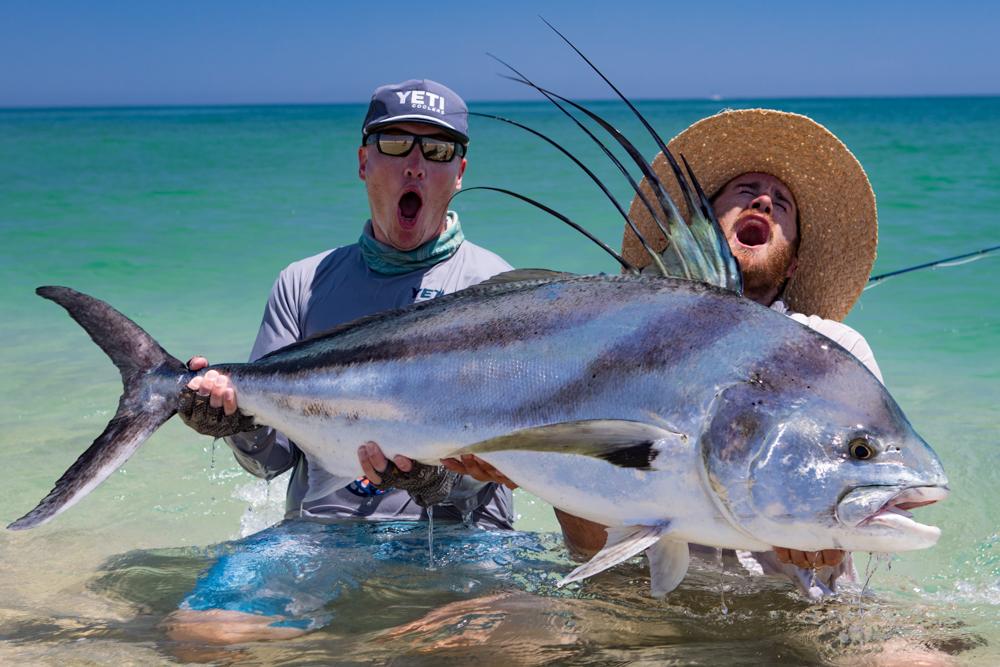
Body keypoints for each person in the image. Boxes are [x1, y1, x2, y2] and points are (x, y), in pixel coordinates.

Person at [166, 79, 515, 642]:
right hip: (321, 535)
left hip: (462, 539)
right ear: (363, 161)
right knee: (203, 635)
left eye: (438, 150)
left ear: (460, 173)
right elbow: (270, 461)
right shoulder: (302, 285)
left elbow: (512, 462)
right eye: (396, 144)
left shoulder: (500, 291)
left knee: (523, 647)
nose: (416, 166)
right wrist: (235, 424)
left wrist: (436, 484)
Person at [559, 108, 883, 597]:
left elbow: (874, 492)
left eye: (784, 205)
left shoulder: (837, 350)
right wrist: (529, 463)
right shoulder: (626, 346)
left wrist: (835, 536)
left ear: (794, 263)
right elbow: (586, 547)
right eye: (745, 193)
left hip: (800, 611)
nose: (765, 203)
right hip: (647, 605)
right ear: (703, 228)